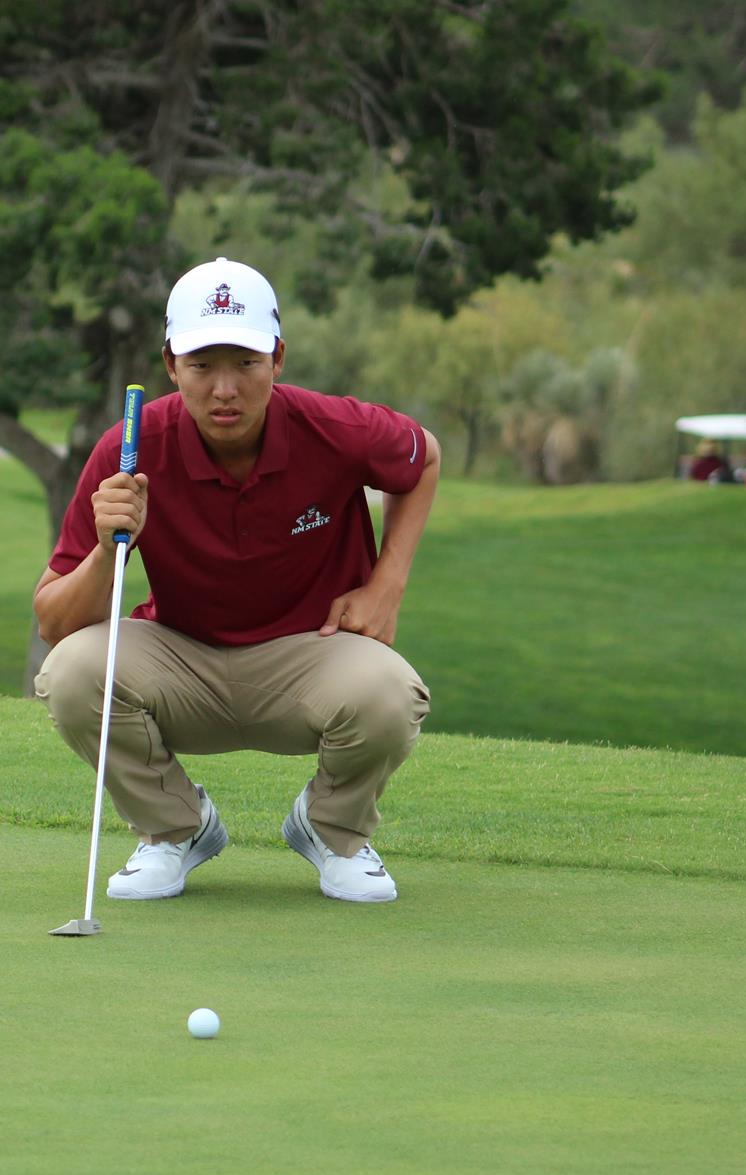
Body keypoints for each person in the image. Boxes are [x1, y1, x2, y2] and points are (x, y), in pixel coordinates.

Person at [32, 257, 440, 904]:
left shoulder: (333, 428)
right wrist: (109, 552)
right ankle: (174, 829)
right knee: (73, 671)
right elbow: (53, 621)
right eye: (202, 365)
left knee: (390, 693)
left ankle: (333, 829)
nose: (225, 389)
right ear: (171, 366)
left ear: (278, 359)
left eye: (246, 363)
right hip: (181, 655)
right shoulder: (130, 447)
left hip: (312, 654)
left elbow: (423, 457)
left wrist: (387, 583)